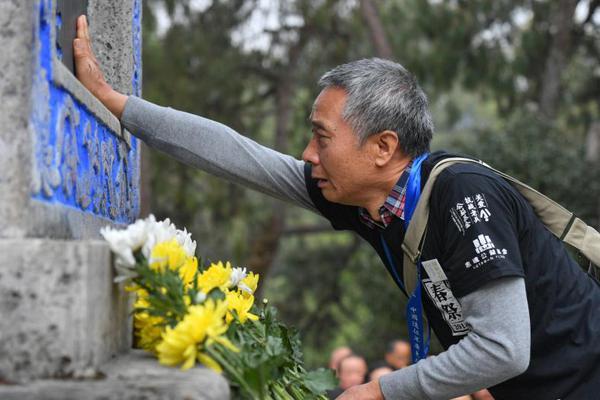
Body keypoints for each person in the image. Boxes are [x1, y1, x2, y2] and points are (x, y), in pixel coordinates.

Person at [73, 15, 600, 400]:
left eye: (322, 138)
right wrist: (117, 103)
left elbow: (505, 350)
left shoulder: (463, 197)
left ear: (382, 148)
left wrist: (378, 392)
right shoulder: (361, 201)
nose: (307, 156)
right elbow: (240, 156)